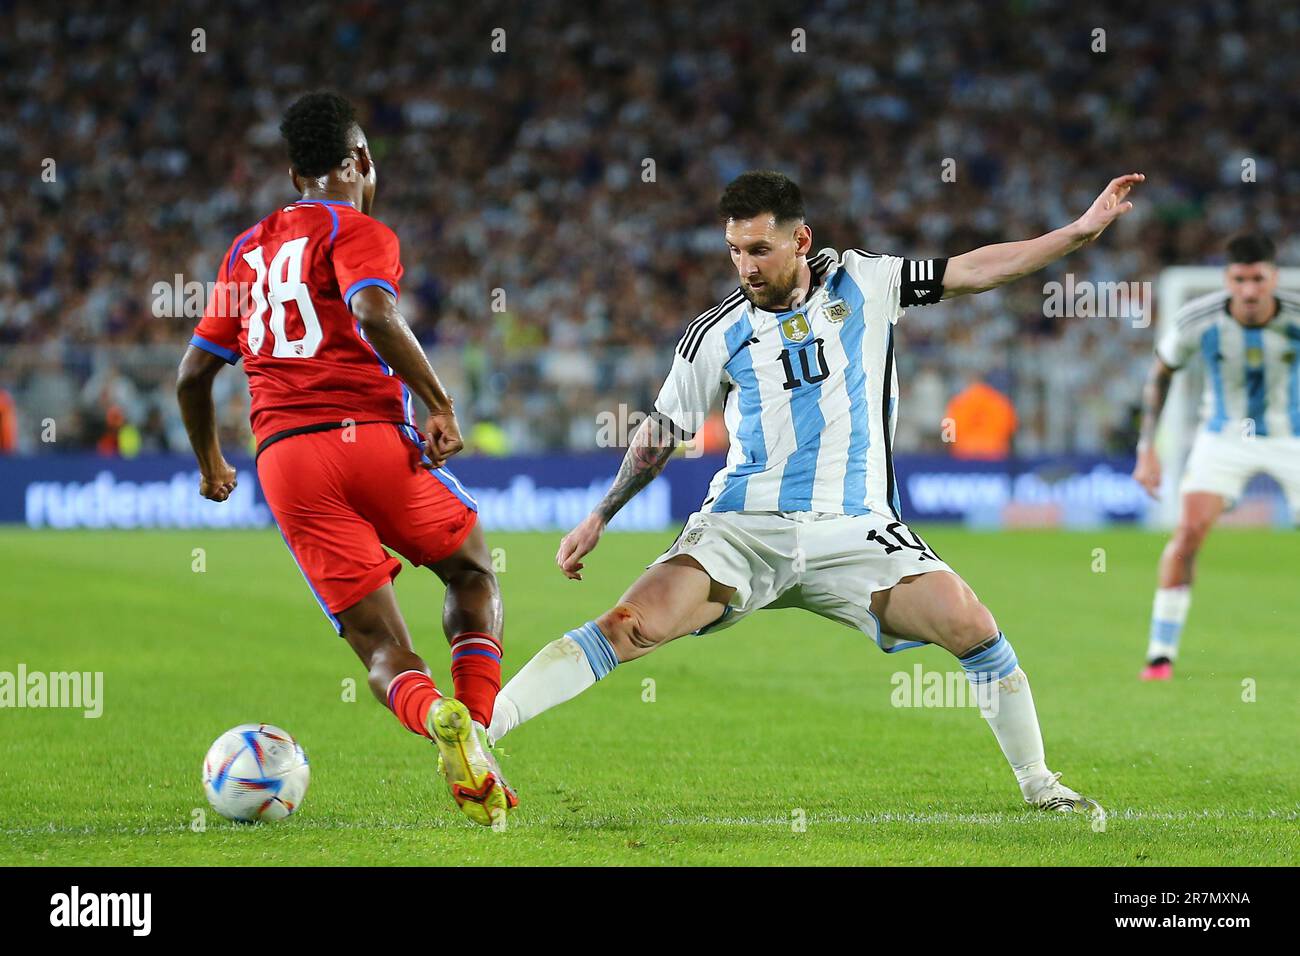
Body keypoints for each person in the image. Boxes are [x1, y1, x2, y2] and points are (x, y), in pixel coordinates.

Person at [489, 169, 1145, 816]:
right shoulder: (715, 335)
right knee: (629, 628)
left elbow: (976, 268)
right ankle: (481, 736)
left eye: (759, 249)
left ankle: (1040, 784)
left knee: (971, 624)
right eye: (734, 251)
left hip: (856, 528)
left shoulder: (867, 280)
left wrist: (1079, 233)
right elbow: (663, 430)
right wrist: (602, 513)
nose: (744, 266)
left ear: (801, 240)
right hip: (744, 527)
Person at [175, 91, 515, 826]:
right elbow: (372, 311)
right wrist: (439, 402)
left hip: (289, 461)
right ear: (360, 161)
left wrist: (210, 465)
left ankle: (436, 721)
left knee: (380, 647)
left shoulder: (246, 249)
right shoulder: (356, 227)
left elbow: (193, 376)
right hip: (372, 443)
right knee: (471, 570)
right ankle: (477, 728)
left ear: (296, 173)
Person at [1132, 233, 1300, 680]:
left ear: (1273, 278)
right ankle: (1159, 656)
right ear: (1227, 278)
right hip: (1222, 438)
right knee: (1187, 533)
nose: (1248, 290)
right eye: (1240, 279)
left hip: (1293, 438)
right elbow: (1160, 374)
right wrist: (1147, 448)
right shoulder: (1197, 320)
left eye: (1258, 279)